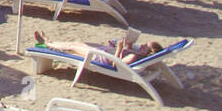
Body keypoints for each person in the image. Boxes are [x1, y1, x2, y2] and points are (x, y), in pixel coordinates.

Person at [32, 31, 163, 65]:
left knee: (72, 47)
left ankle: (47, 43)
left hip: (99, 57)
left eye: (145, 47)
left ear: (147, 53)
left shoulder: (134, 57)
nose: (142, 45)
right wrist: (128, 45)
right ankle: (51, 42)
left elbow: (116, 65)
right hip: (103, 52)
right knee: (78, 43)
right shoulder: (137, 54)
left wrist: (119, 48)